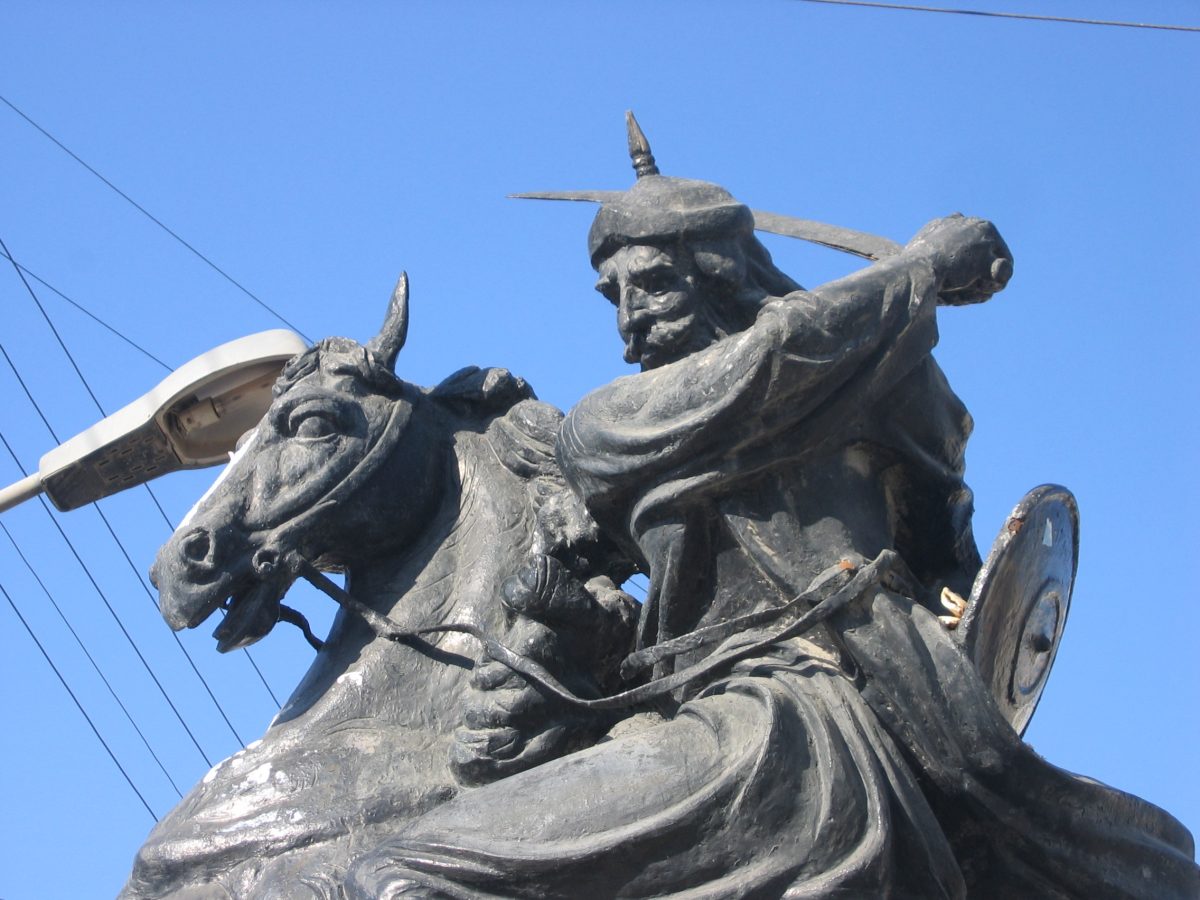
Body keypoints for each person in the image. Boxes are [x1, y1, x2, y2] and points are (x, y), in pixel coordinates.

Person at [348, 124, 1197, 899]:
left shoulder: (883, 384)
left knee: (409, 875)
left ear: (717, 272)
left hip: (793, 712)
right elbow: (767, 368)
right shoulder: (615, 423)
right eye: (610, 295)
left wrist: (959, 601)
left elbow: (952, 549)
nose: (626, 317)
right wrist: (920, 271)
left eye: (646, 284)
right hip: (690, 706)